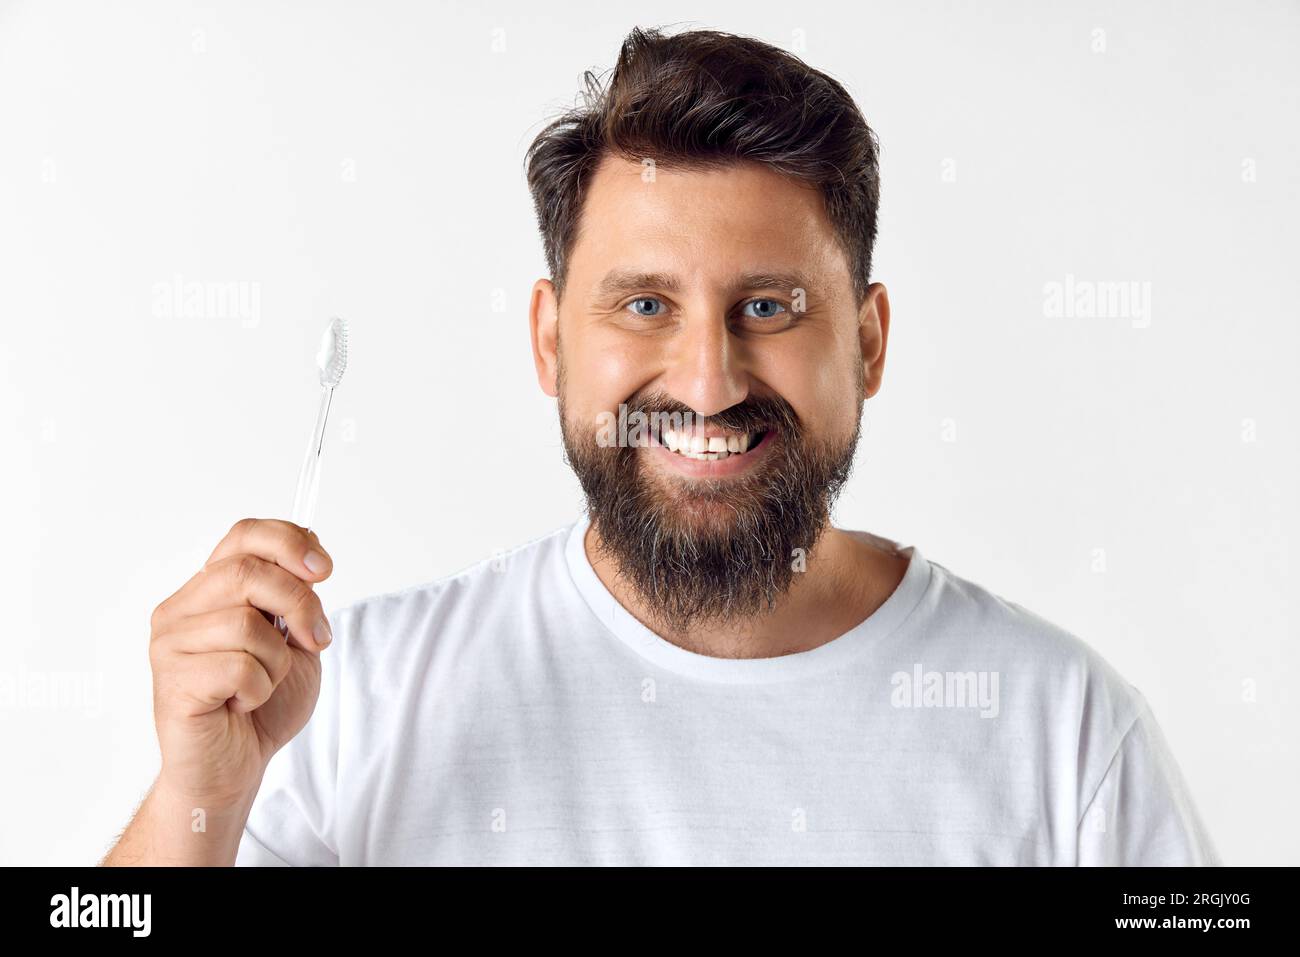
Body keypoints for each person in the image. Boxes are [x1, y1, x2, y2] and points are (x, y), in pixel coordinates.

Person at [103, 26, 1219, 866]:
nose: (705, 383)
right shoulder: (349, 704)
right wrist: (197, 798)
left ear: (869, 342)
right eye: (644, 307)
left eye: (771, 308)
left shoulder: (1065, 731)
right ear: (550, 341)